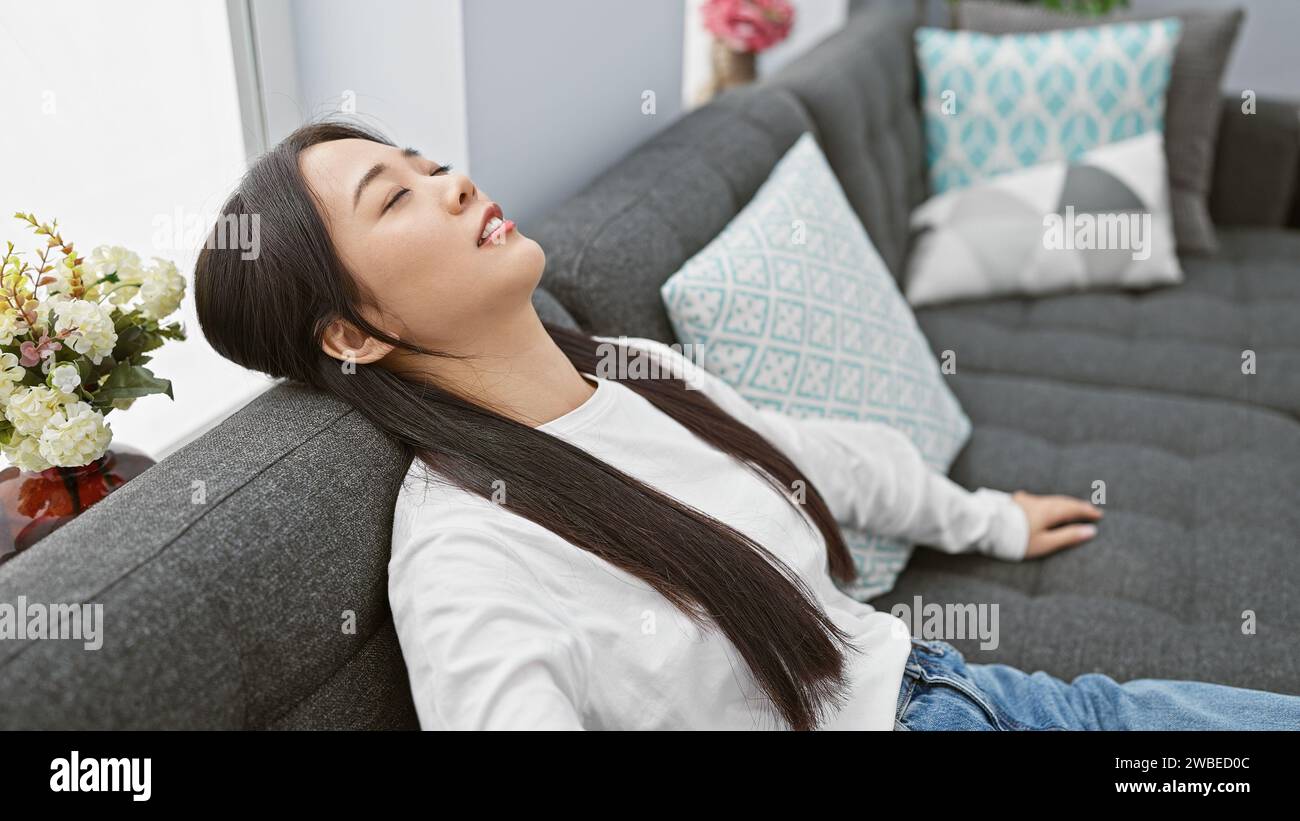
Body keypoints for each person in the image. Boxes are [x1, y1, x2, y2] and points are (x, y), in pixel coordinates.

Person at [194, 122, 1300, 730]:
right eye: (393, 198)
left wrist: (987, 518)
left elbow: (810, 455)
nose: (451, 182)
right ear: (348, 332)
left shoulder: (634, 373)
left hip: (975, 689)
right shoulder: (463, 552)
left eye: (427, 162)